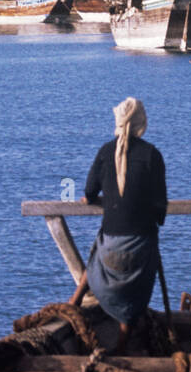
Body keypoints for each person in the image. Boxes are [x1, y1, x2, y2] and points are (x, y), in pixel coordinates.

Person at [70, 97, 166, 353]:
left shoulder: (105, 152)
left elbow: (89, 191)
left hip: (111, 240)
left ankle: (73, 303)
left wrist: (94, 199)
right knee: (135, 296)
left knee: (95, 258)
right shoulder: (152, 155)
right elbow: (159, 208)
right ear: (141, 122)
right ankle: (122, 343)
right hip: (140, 241)